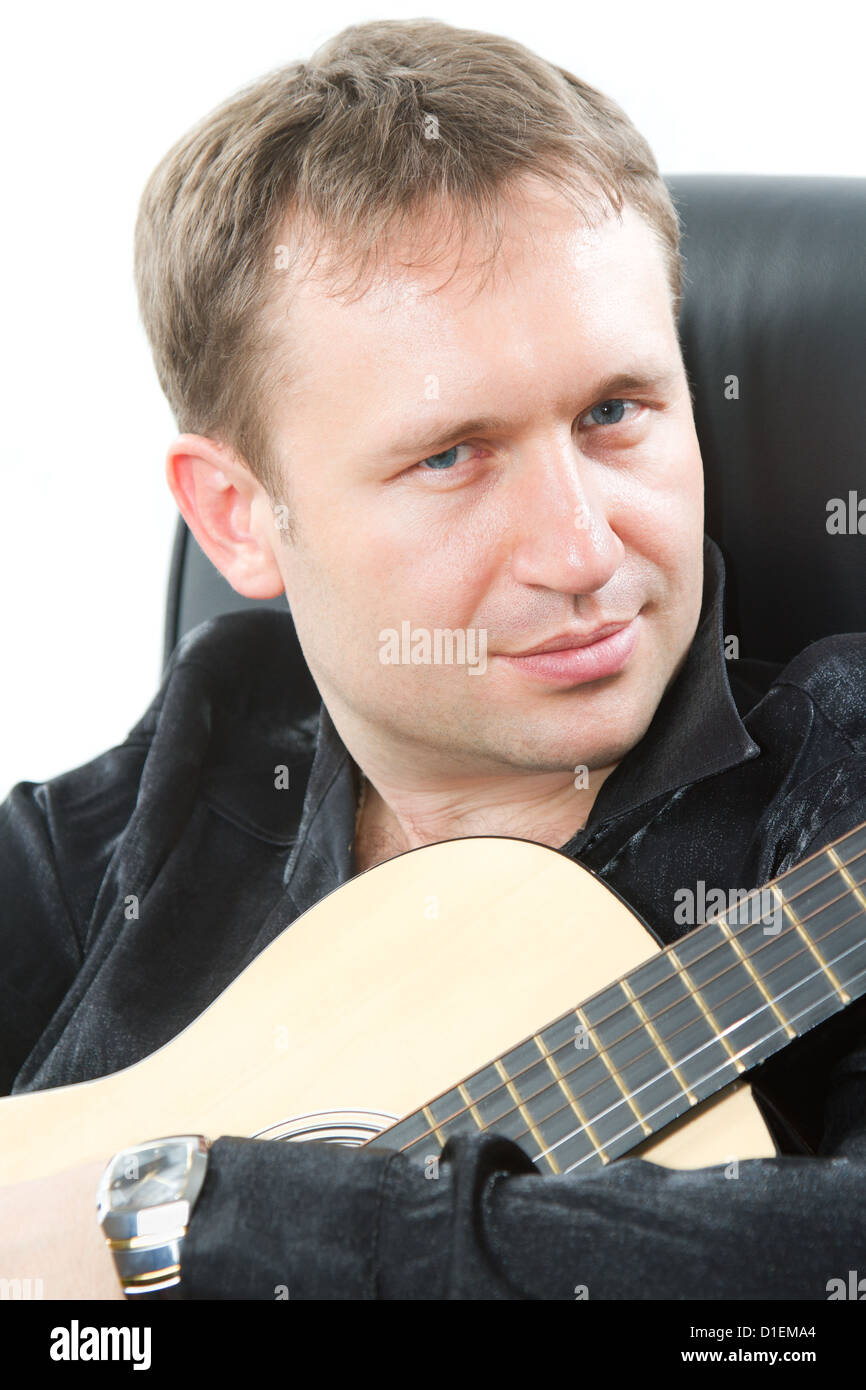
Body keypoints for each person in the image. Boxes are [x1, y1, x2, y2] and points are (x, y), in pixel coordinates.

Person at [1, 18, 865, 1301]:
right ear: (240, 516)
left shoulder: (829, 789)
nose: (580, 551)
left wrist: (195, 1218)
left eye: (614, 411)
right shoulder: (113, 845)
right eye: (450, 454)